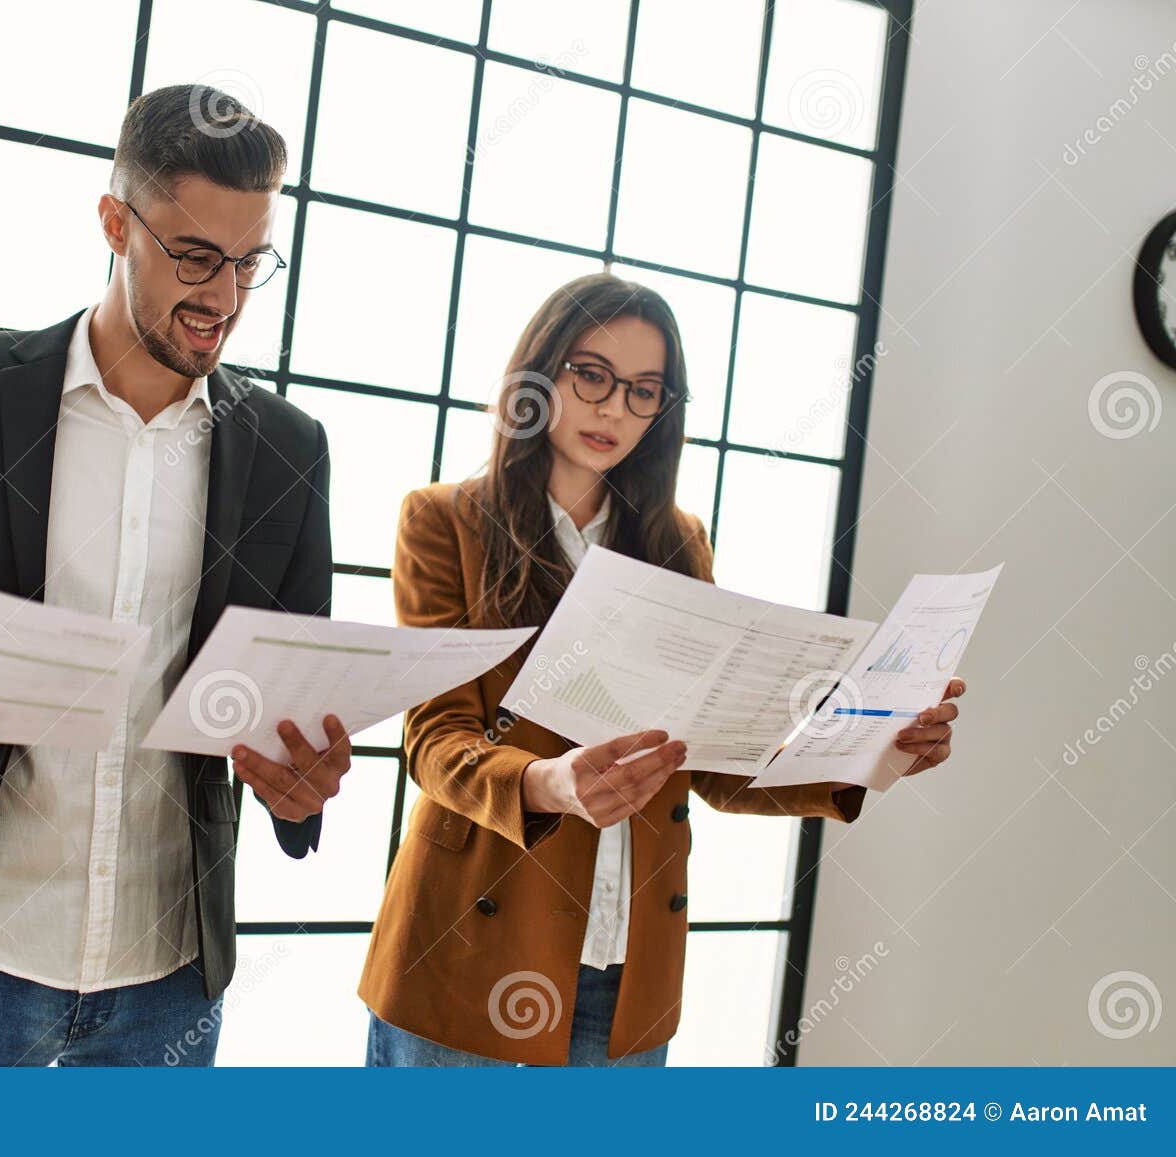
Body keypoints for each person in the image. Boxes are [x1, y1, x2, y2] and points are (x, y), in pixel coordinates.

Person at [0, 84, 352, 1067]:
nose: (224, 300)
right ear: (115, 221)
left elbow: (292, 693)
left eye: (249, 264)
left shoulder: (288, 450)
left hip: (166, 979)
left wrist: (300, 785)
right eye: (195, 258)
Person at [359, 272, 965, 1066]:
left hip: (627, 976)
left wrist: (878, 747)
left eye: (644, 390)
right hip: (468, 960)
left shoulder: (677, 541)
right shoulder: (445, 521)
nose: (614, 408)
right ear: (540, 373)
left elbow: (712, 757)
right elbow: (436, 740)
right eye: (592, 375)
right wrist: (551, 782)